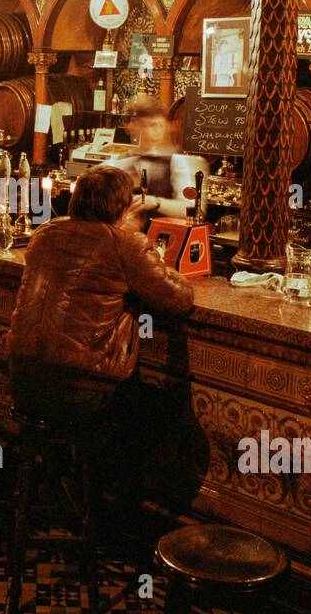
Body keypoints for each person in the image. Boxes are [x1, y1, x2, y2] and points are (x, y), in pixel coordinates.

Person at [10, 165, 195, 426]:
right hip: (83, 391)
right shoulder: (124, 243)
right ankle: (103, 467)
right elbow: (180, 298)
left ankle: (56, 466)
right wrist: (160, 261)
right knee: (167, 413)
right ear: (123, 208)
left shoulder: (44, 233)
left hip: (22, 381)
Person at [111, 94, 208, 220]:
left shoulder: (180, 163)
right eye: (143, 125)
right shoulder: (117, 163)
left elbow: (195, 211)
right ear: (130, 127)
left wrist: (155, 202)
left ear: (166, 126)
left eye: (156, 125)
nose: (150, 132)